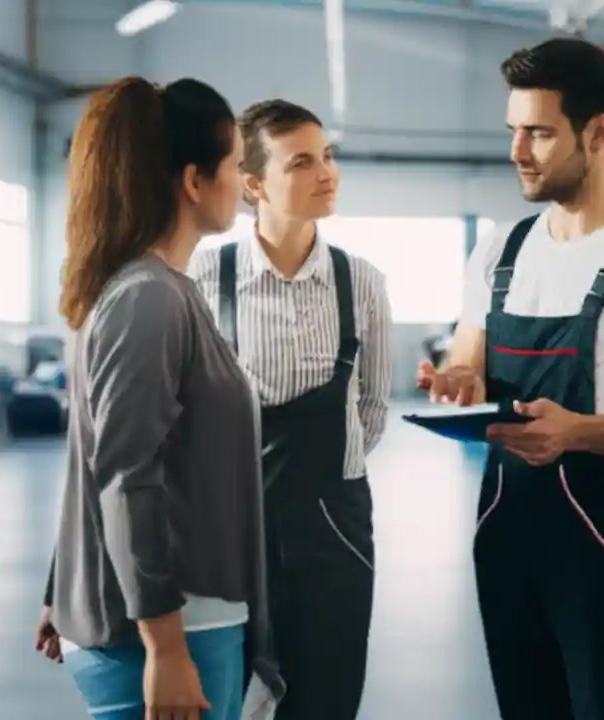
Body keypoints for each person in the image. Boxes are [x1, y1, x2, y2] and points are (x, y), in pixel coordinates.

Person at [417, 38, 604, 720]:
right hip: (503, 535)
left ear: (599, 132)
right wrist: (456, 381)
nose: (518, 151)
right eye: (513, 132)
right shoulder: (502, 248)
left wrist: (578, 433)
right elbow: (470, 360)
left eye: (539, 133)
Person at [34, 77, 285, 720]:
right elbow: (123, 474)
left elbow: (98, 449)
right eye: (233, 164)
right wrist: (165, 649)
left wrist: (64, 584)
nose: (242, 179)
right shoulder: (147, 299)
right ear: (195, 181)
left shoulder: (164, 289)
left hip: (185, 618)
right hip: (176, 628)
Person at [188, 98, 392, 720]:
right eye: (302, 161)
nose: (326, 173)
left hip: (336, 529)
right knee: (229, 698)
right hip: (229, 528)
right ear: (253, 183)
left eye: (327, 156)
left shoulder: (363, 281)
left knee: (326, 701)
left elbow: (372, 408)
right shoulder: (203, 276)